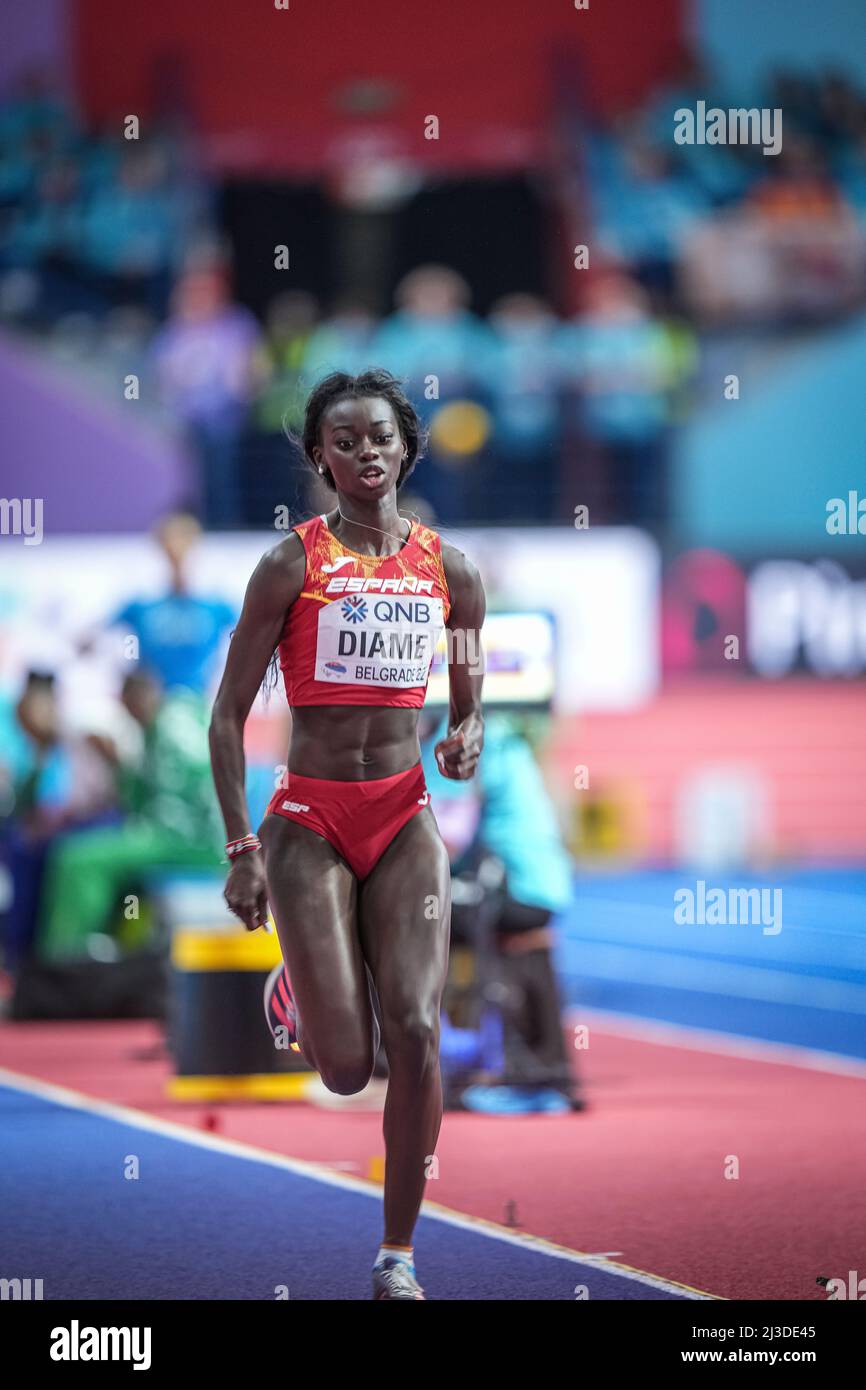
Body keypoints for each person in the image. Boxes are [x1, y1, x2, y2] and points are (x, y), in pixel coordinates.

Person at [209, 368, 486, 1300]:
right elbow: (225, 717)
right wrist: (242, 849)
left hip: (405, 815)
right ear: (321, 458)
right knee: (344, 1067)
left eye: (379, 436)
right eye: (345, 441)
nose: (365, 452)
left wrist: (468, 723)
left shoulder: (450, 570)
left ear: (406, 445)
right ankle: (303, 983)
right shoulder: (292, 562)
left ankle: (398, 1253)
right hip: (307, 824)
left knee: (415, 1030)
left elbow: (467, 651)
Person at [37, 670, 223, 961]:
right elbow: (139, 798)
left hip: (189, 842)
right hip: (175, 837)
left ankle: (66, 962)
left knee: (77, 860)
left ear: (137, 698)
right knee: (85, 850)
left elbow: (185, 801)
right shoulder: (161, 726)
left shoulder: (175, 724)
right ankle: (107, 953)